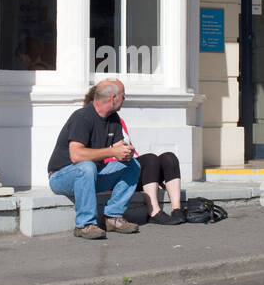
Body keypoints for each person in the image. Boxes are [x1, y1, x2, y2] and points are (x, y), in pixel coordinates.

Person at [46, 79, 141, 240]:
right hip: (62, 177)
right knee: (86, 166)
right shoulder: (82, 117)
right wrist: (112, 151)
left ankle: (113, 217)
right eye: (123, 96)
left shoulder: (113, 118)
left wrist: (126, 152)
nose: (124, 100)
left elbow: (118, 146)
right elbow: (76, 155)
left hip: (92, 175)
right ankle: (84, 224)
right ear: (113, 98)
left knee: (133, 165)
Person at [109, 114, 185, 225]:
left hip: (132, 166)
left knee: (170, 158)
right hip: (119, 174)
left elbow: (130, 149)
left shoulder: (118, 120)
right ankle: (154, 212)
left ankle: (176, 209)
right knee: (150, 159)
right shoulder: (93, 124)